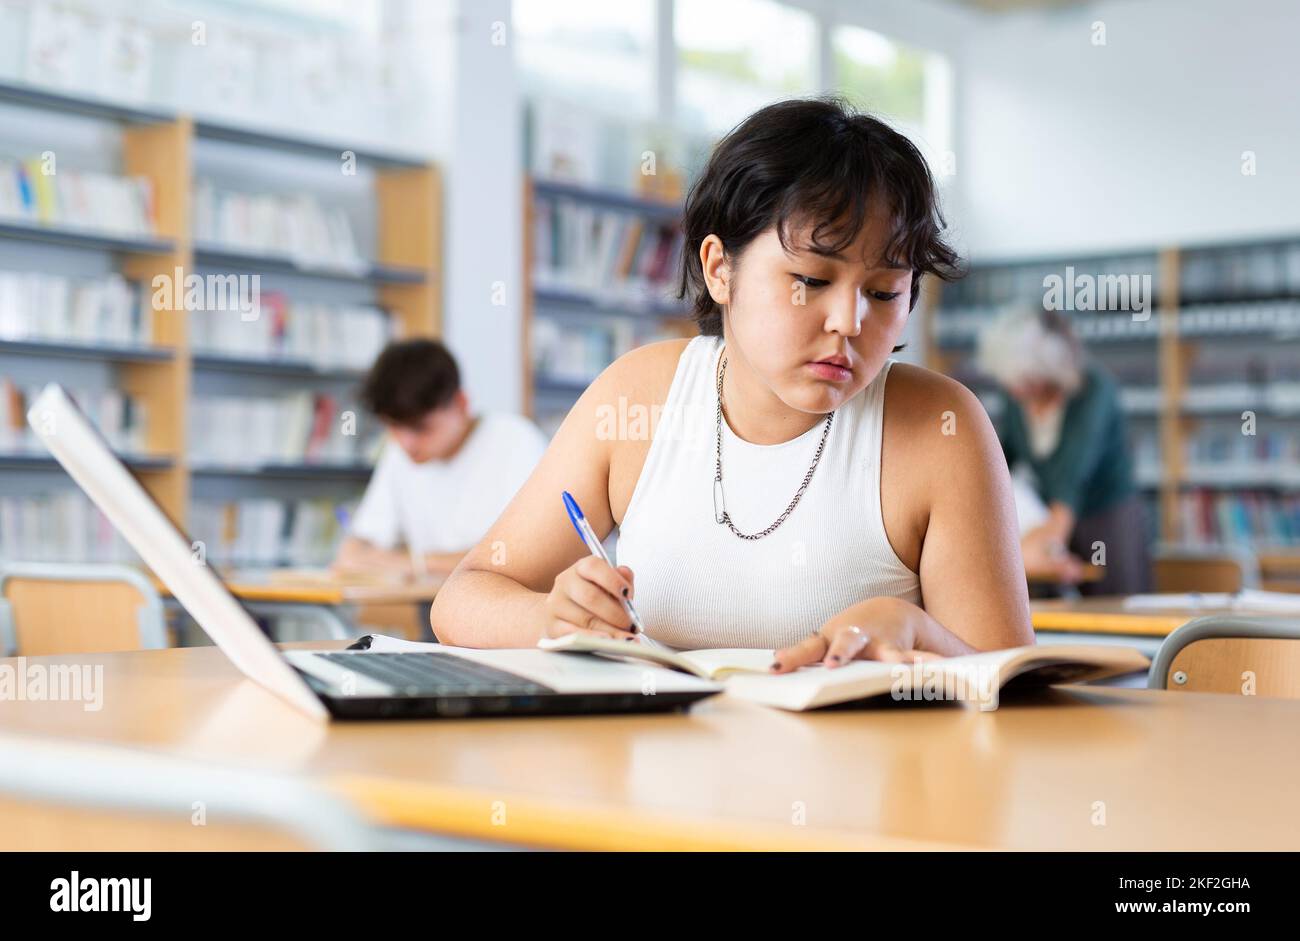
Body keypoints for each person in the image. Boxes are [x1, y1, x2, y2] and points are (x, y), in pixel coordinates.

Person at [431, 97, 1035, 670]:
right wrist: (552, 620)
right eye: (811, 281)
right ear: (720, 269)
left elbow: (1009, 687)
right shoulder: (638, 397)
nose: (849, 322)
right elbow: (463, 599)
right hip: (653, 774)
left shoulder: (939, 426)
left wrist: (919, 631)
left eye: (882, 293)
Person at [334, 338, 548, 578]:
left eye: (420, 428)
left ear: (461, 404)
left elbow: (526, 554)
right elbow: (358, 547)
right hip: (434, 604)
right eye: (393, 426)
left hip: (504, 606)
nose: (406, 444)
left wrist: (414, 564)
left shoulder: (515, 441)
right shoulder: (399, 454)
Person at [977, 307, 1150, 595]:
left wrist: (1045, 541)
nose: (1016, 391)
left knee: (1116, 608)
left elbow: (1074, 473)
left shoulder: (1093, 390)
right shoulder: (1016, 393)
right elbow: (1001, 458)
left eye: (1025, 381)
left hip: (1106, 518)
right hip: (1052, 516)